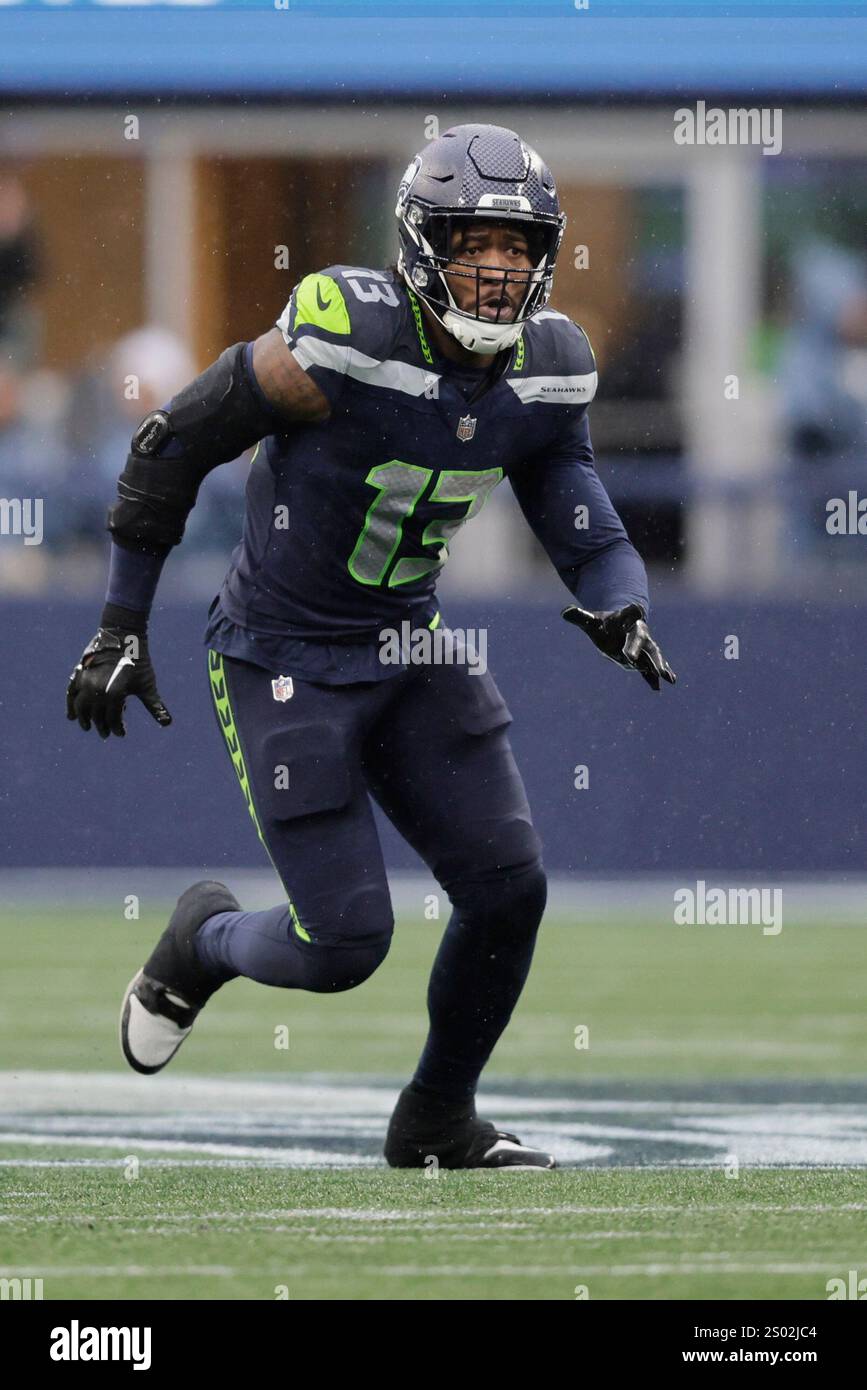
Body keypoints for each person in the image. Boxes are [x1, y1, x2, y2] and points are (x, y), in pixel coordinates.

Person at [66, 124, 675, 1170]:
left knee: (509, 887)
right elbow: (174, 443)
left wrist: (622, 600)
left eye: (521, 247)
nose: (501, 270)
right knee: (344, 944)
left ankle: (437, 1116)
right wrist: (120, 623)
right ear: (422, 243)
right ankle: (200, 940)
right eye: (477, 242)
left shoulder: (551, 365)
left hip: (411, 645)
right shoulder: (344, 336)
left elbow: (578, 508)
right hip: (281, 650)